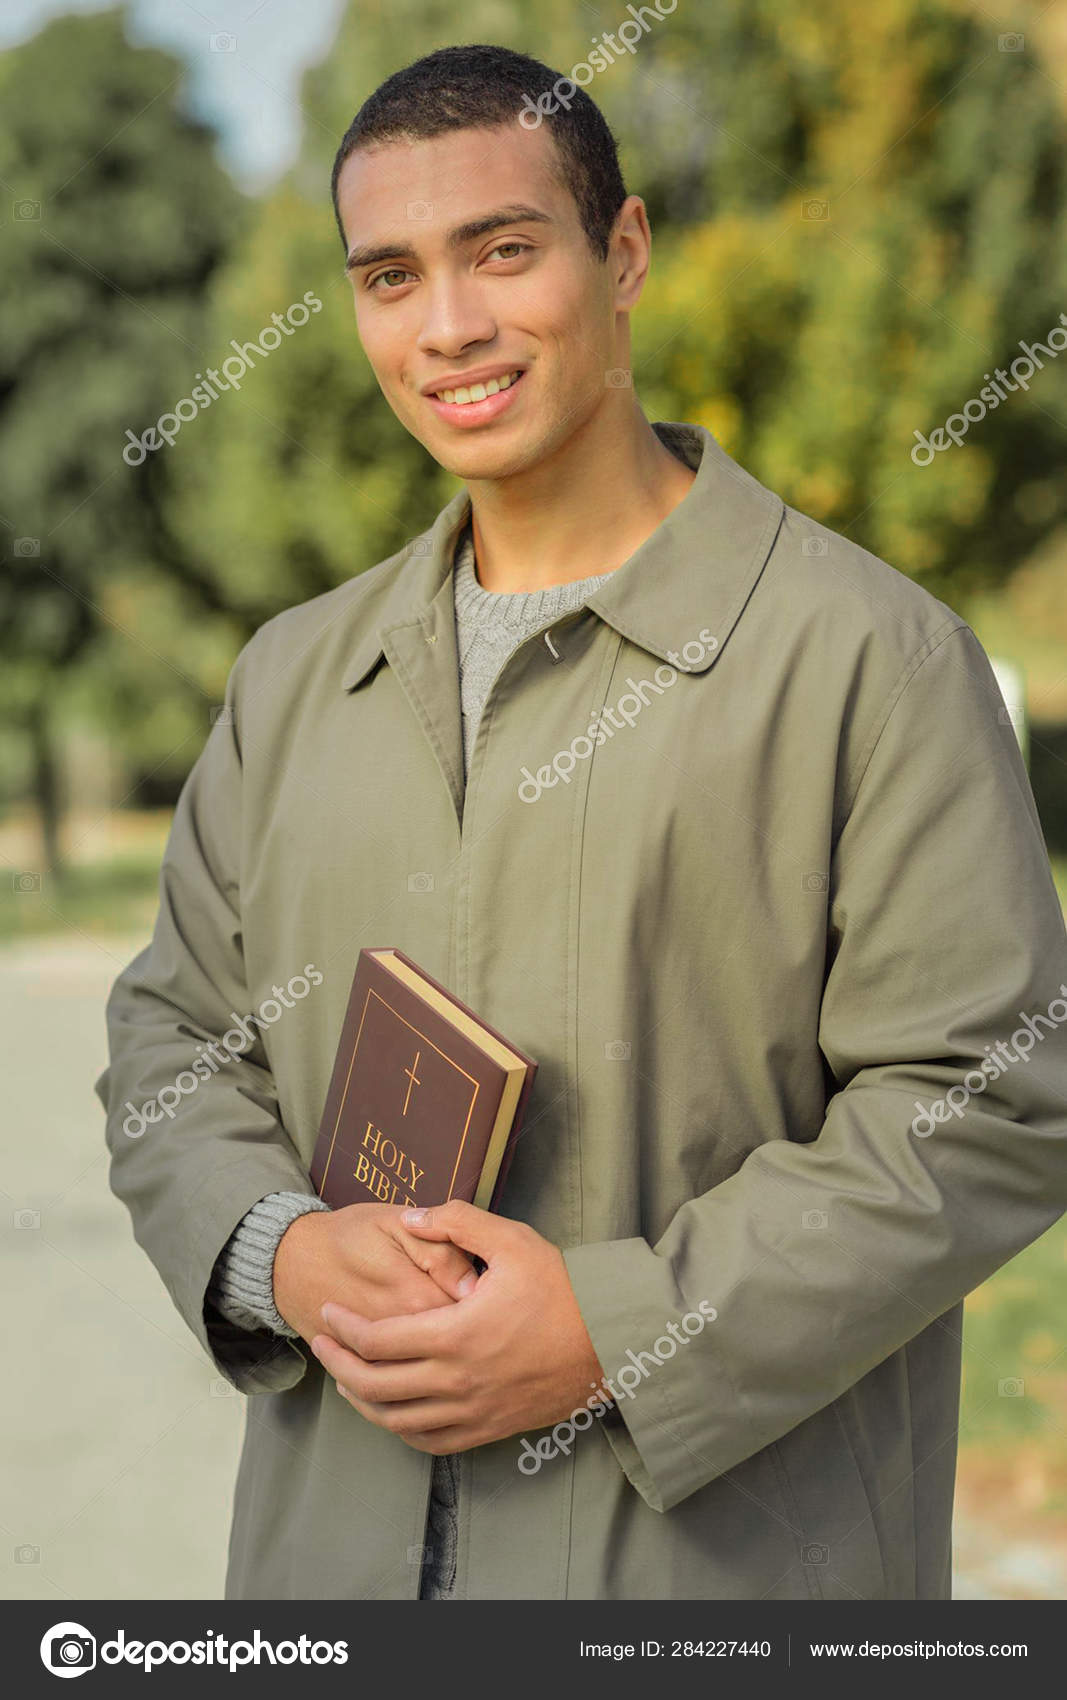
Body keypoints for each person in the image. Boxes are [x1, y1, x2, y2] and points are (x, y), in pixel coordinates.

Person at [96, 43, 1067, 1602]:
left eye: (502, 251)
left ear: (621, 254)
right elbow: (170, 1042)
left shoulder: (868, 660)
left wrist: (619, 1332)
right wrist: (277, 1246)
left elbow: (994, 1095)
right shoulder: (291, 683)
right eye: (389, 276)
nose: (449, 326)